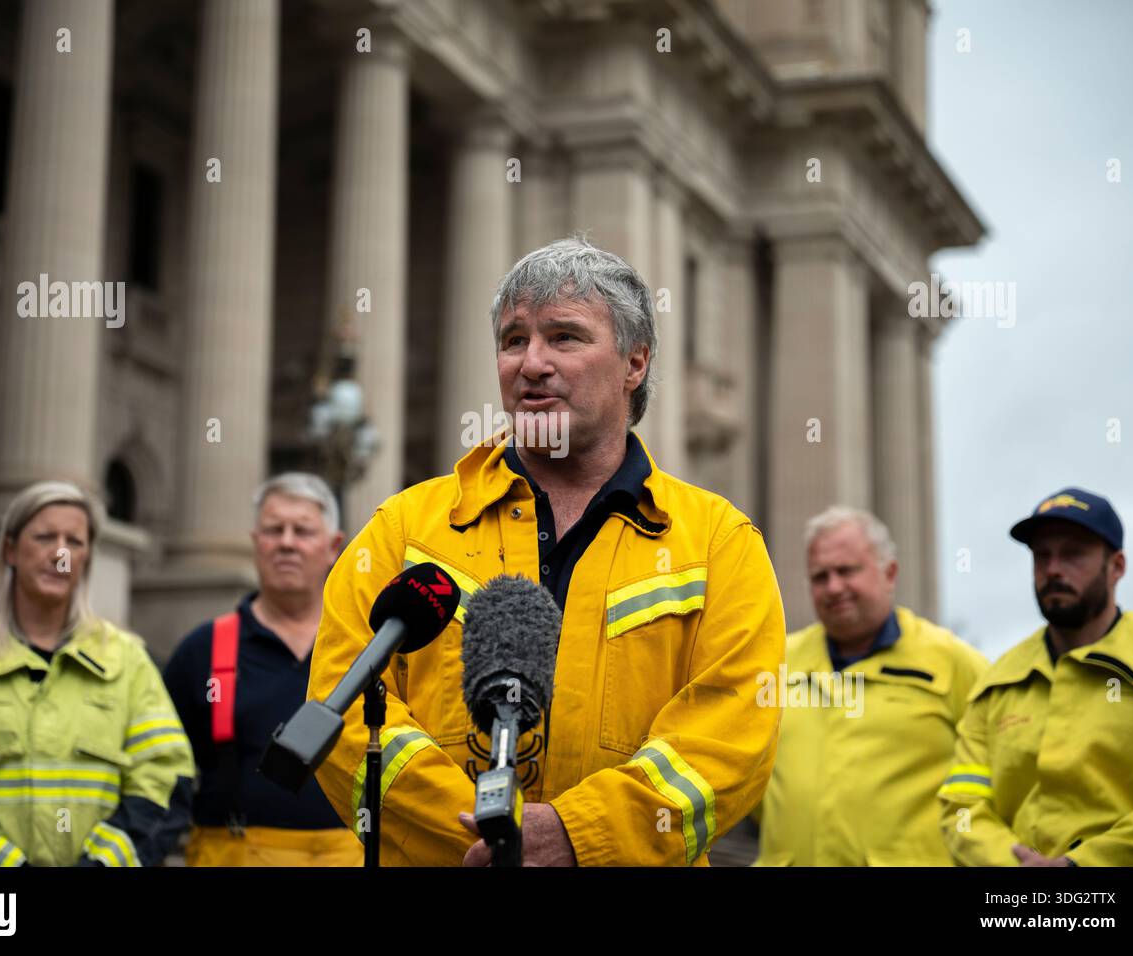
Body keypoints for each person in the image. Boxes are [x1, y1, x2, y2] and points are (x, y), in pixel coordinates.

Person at [306, 236, 786, 866]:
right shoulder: (403, 529)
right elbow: (341, 714)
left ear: (634, 364)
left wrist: (579, 839)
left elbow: (732, 738)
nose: (530, 363)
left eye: (564, 337)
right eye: (513, 340)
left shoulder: (720, 544)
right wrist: (485, 842)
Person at [0, 481, 193, 866]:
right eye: (45, 537)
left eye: (75, 542)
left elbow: (165, 774)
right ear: (11, 550)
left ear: (87, 560)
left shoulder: (129, 660)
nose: (61, 553)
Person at [939, 488, 1133, 866]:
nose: (1053, 569)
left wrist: (1081, 865)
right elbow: (961, 807)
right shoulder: (999, 681)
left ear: (1117, 566)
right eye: (1042, 555)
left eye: (1073, 554)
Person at [755, 506, 987, 865]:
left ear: (889, 572)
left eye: (847, 571)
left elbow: (1006, 767)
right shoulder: (775, 661)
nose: (834, 587)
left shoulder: (952, 662)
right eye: (820, 576)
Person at [163, 473, 363, 865]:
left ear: (333, 547)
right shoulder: (200, 651)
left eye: (302, 531)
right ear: (256, 542)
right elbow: (163, 775)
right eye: (274, 530)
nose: (286, 542)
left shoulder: (366, 649)